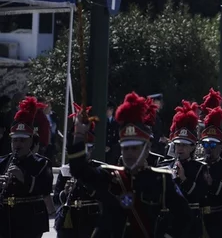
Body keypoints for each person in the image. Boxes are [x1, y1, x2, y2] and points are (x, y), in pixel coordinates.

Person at [69, 91, 189, 237]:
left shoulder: (162, 180)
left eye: (135, 148)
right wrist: (79, 135)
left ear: (147, 149)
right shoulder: (109, 176)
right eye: (125, 148)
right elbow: (79, 170)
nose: (129, 153)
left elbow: (184, 216)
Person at [0, 97, 53, 238]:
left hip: (30, 222)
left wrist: (24, 177)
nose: (18, 144)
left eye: (22, 140)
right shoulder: (2, 162)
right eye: (15, 140)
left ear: (30, 141)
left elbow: (45, 188)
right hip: (5, 220)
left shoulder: (42, 163)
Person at [159, 100, 208, 238]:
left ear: (192, 147)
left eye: (184, 145)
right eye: (178, 144)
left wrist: (185, 179)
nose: (180, 148)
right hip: (169, 224)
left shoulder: (200, 168)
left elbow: (202, 196)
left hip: (192, 224)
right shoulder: (165, 166)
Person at [54, 105, 100, 238]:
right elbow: (57, 198)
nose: (85, 153)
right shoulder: (65, 170)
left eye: (88, 149)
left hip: (90, 221)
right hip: (69, 222)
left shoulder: (98, 169)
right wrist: (65, 192)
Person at [198, 103, 222, 238]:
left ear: (221, 147)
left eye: (213, 144)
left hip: (220, 222)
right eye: (206, 144)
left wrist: (212, 184)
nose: (209, 148)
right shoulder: (197, 165)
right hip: (199, 222)